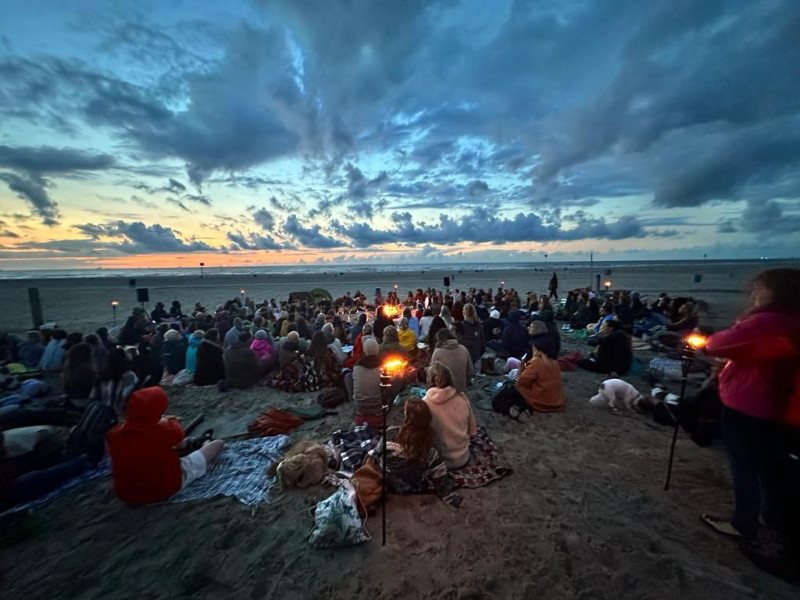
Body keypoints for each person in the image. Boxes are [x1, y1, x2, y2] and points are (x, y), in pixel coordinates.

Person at [700, 268, 800, 566]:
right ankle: (770, 515)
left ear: (778, 292)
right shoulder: (791, 321)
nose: (753, 295)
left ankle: (744, 521)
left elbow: (717, 343)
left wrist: (736, 332)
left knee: (745, 466)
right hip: (772, 407)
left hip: (749, 405)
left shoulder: (771, 322)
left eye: (759, 289)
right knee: (769, 466)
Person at [107, 386, 224, 506]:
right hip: (164, 488)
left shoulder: (114, 434)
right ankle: (205, 442)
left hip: (127, 495)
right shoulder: (166, 430)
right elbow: (181, 444)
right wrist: (170, 421)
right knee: (218, 444)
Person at [376, 399, 461, 506]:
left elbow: (377, 451)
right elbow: (439, 474)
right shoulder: (430, 449)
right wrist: (446, 494)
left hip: (388, 481)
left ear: (407, 416)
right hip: (412, 485)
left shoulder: (390, 433)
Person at [422, 362, 477, 469]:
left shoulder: (425, 403)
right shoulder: (462, 397)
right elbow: (472, 430)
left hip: (439, 461)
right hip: (463, 457)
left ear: (430, 380)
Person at [505, 337, 566, 420]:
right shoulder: (554, 362)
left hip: (541, 400)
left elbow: (521, 382)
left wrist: (522, 366)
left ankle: (521, 407)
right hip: (556, 400)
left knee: (516, 388)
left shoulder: (536, 363)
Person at [349, 338, 384, 429]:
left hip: (360, 406)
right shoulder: (383, 366)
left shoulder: (357, 367)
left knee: (348, 377)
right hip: (378, 405)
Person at [430, 329, 474, 393]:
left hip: (443, 391)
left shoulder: (437, 352)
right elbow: (471, 372)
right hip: (461, 390)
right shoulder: (463, 349)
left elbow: (431, 375)